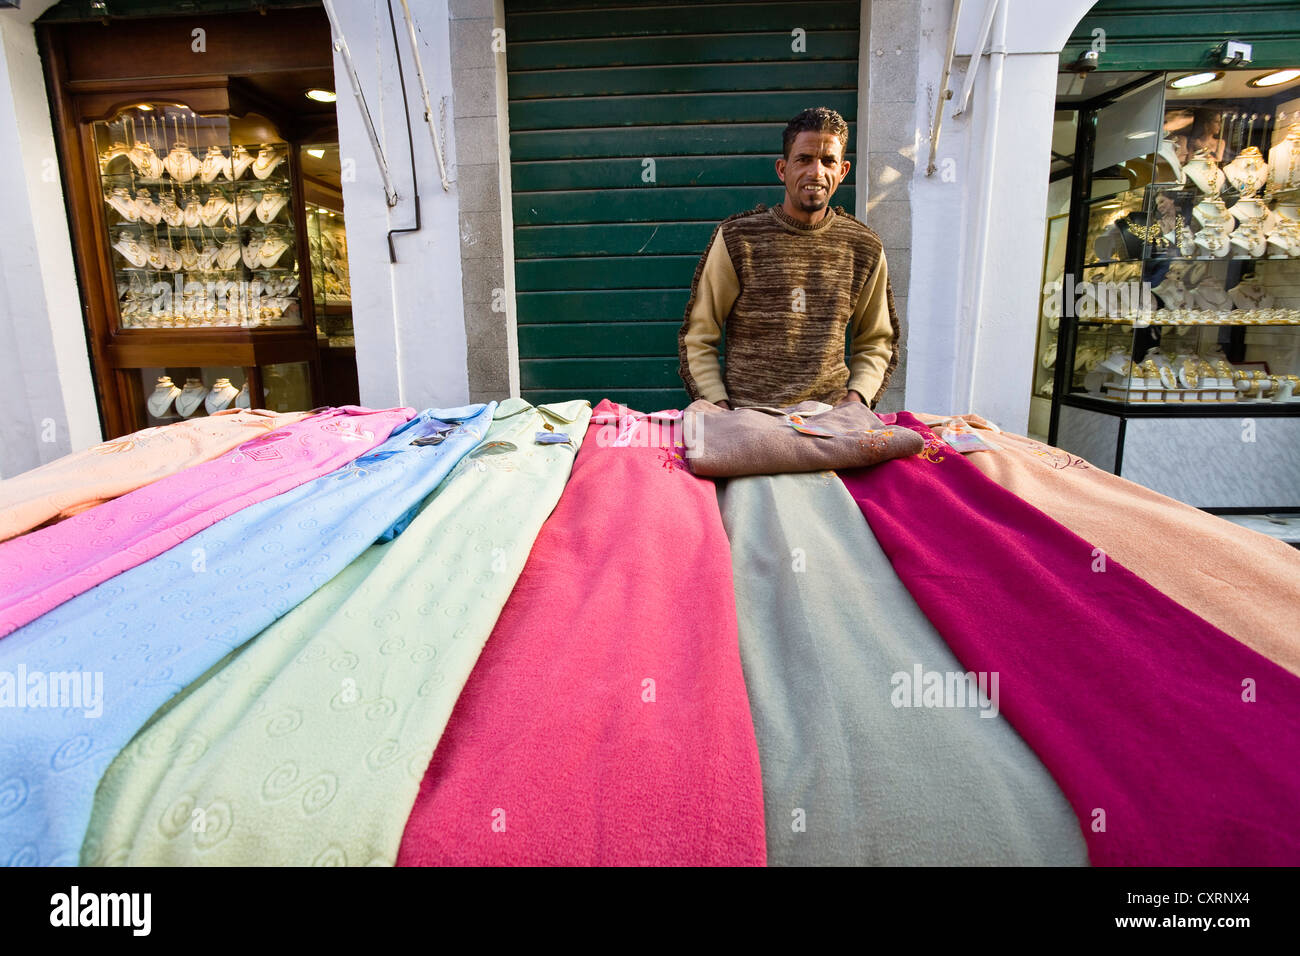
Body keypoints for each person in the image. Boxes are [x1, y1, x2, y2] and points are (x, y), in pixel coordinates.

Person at [676, 107, 900, 410]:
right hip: (747, 420)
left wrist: (856, 400)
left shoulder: (863, 246)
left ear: (843, 170)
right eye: (804, 159)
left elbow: (877, 340)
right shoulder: (738, 239)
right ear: (783, 169)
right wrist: (719, 406)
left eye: (828, 161)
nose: (816, 172)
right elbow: (699, 336)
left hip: (829, 426)